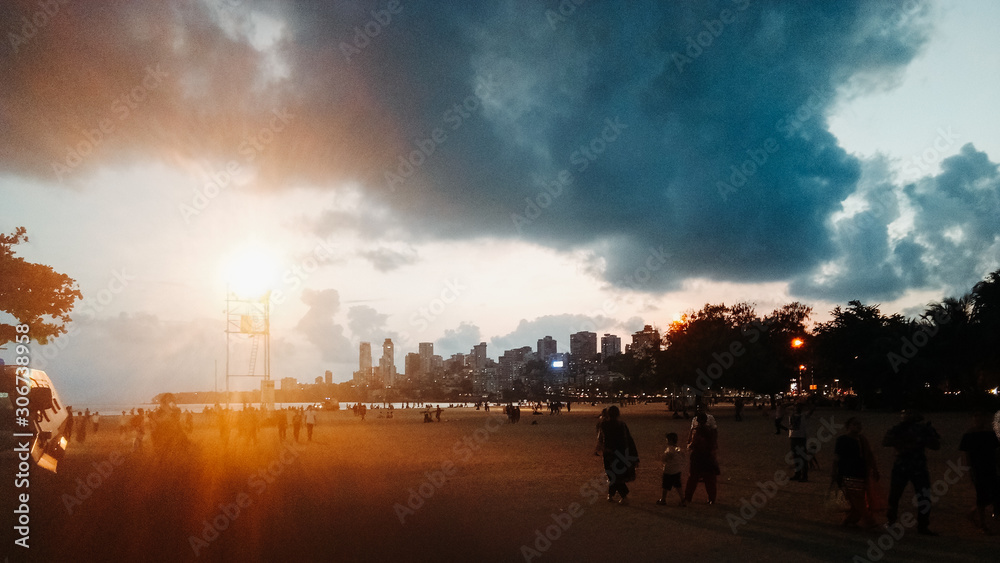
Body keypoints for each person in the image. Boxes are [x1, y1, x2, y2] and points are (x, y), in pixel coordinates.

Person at [883, 409, 940, 535]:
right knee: (899, 495)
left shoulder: (905, 429)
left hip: (908, 465)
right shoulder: (906, 429)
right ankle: (920, 525)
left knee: (899, 496)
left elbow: (935, 445)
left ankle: (897, 522)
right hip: (911, 465)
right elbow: (886, 441)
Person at [832, 417, 881, 528]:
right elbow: (837, 457)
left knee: (858, 500)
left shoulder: (862, 439)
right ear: (848, 426)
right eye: (855, 424)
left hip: (861, 472)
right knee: (857, 499)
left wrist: (875, 469)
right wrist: (834, 472)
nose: (858, 427)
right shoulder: (842, 440)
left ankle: (848, 520)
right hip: (848, 473)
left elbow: (869, 455)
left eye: (859, 424)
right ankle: (869, 520)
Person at [959, 410, 1000, 533]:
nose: (978, 419)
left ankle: (973, 513)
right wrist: (970, 470)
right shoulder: (969, 435)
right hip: (978, 469)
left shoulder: (990, 434)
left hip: (991, 467)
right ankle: (982, 524)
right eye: (976, 417)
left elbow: (996, 452)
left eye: (981, 417)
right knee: (982, 495)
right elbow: (967, 455)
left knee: (994, 494)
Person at [594, 405, 639, 505]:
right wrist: (634, 456)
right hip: (621, 453)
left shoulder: (604, 424)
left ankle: (624, 495)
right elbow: (629, 440)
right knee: (615, 474)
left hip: (609, 453)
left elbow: (601, 438)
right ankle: (611, 494)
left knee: (612, 475)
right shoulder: (621, 425)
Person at [684, 412, 720, 504]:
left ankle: (688, 497)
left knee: (693, 478)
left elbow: (693, 442)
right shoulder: (710, 431)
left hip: (697, 456)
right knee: (709, 479)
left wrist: (690, 445)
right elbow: (713, 442)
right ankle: (711, 499)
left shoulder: (698, 430)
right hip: (708, 457)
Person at [788, 400, 816, 482]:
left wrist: (805, 403)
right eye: (796, 406)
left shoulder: (804, 415)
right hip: (793, 437)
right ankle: (797, 474)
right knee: (796, 457)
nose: (797, 408)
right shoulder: (792, 415)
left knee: (802, 457)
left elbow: (812, 408)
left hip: (800, 437)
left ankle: (804, 475)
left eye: (798, 407)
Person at [658, 432, 686, 506]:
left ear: (670, 441)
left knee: (665, 486)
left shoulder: (669, 450)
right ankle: (683, 500)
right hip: (677, 470)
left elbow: (665, 459)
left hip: (669, 471)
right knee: (678, 486)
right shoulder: (679, 449)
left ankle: (663, 499)